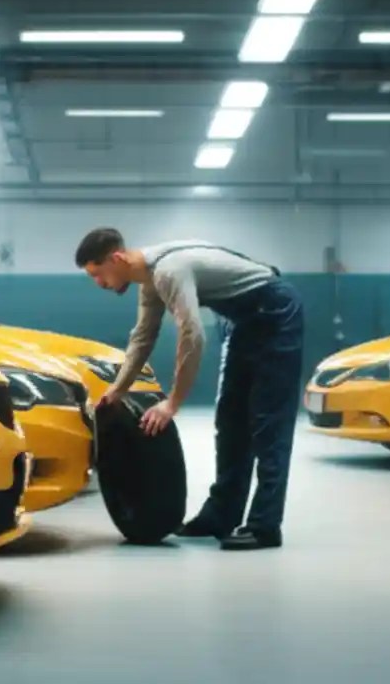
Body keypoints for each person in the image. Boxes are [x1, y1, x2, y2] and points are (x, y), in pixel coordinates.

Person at [74, 228, 304, 551]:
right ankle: (221, 514)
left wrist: (172, 404)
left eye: (99, 275)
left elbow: (192, 335)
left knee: (268, 425)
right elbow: (143, 338)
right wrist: (117, 391)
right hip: (244, 321)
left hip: (276, 311)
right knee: (230, 423)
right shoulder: (149, 280)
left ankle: (265, 526)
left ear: (116, 258)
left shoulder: (167, 271)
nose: (100, 284)